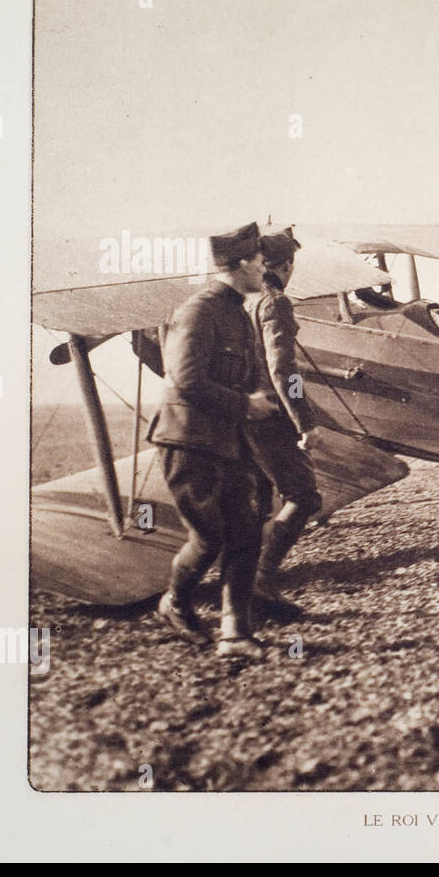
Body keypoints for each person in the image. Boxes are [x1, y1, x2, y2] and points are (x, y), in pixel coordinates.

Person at [147, 221, 280, 657]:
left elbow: (250, 372)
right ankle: (175, 602)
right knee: (210, 537)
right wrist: (246, 406)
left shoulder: (237, 311)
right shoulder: (199, 310)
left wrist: (257, 400)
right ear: (241, 263)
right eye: (260, 261)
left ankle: (235, 635)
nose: (265, 268)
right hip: (188, 443)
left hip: (226, 442)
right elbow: (186, 380)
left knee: (245, 533)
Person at [244, 228, 323, 612]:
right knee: (303, 497)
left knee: (259, 503)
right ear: (286, 265)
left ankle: (239, 590)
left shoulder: (241, 300)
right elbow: (283, 371)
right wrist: (305, 421)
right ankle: (259, 581)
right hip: (270, 417)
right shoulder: (275, 302)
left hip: (239, 413)